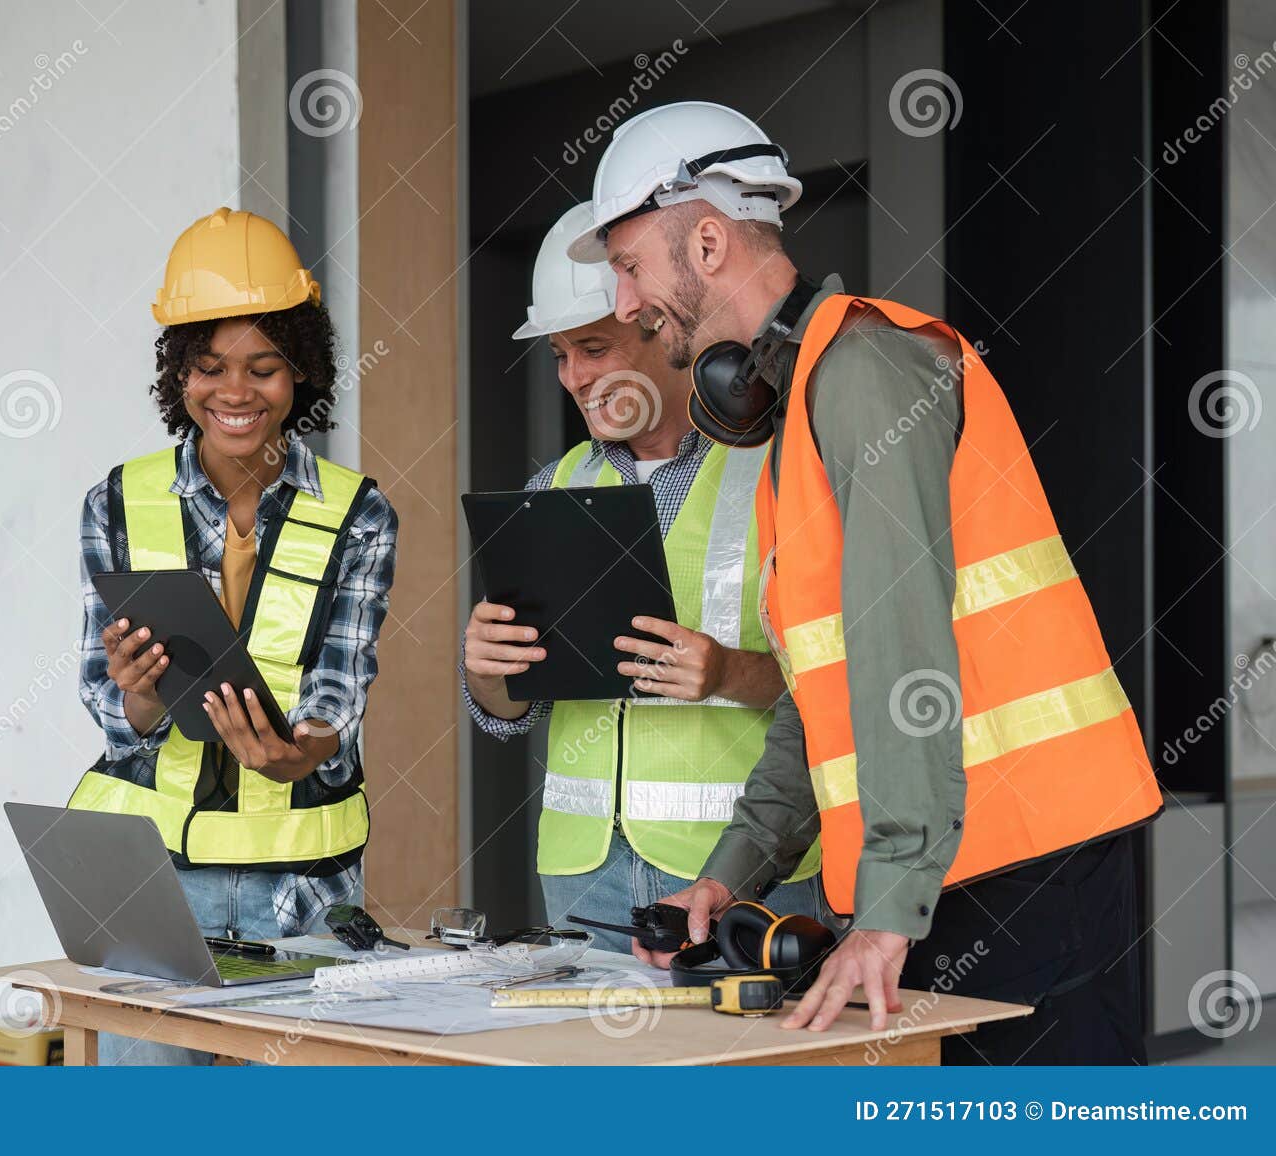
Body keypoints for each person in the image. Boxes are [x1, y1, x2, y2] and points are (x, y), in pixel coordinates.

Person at [569, 101, 1162, 1063]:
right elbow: (829, 689)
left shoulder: (864, 374)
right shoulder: (803, 401)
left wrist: (889, 907)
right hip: (954, 869)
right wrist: (730, 879)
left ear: (709, 241)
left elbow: (904, 644)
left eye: (631, 265)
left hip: (1027, 860)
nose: (627, 301)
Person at [69, 207, 398, 1064]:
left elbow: (339, 687)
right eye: (209, 366)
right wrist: (136, 693)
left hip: (300, 894)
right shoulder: (116, 502)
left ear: (302, 373)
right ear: (179, 373)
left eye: (264, 367)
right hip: (153, 892)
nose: (235, 392)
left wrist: (304, 751)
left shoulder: (357, 513)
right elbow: (108, 709)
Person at [461, 202, 819, 955]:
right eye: (559, 356)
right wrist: (488, 673)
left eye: (593, 347)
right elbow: (509, 710)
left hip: (744, 867)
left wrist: (724, 671)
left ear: (661, 324)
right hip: (582, 874)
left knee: (746, 1073)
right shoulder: (549, 488)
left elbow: (839, 683)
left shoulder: (781, 473)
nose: (575, 378)